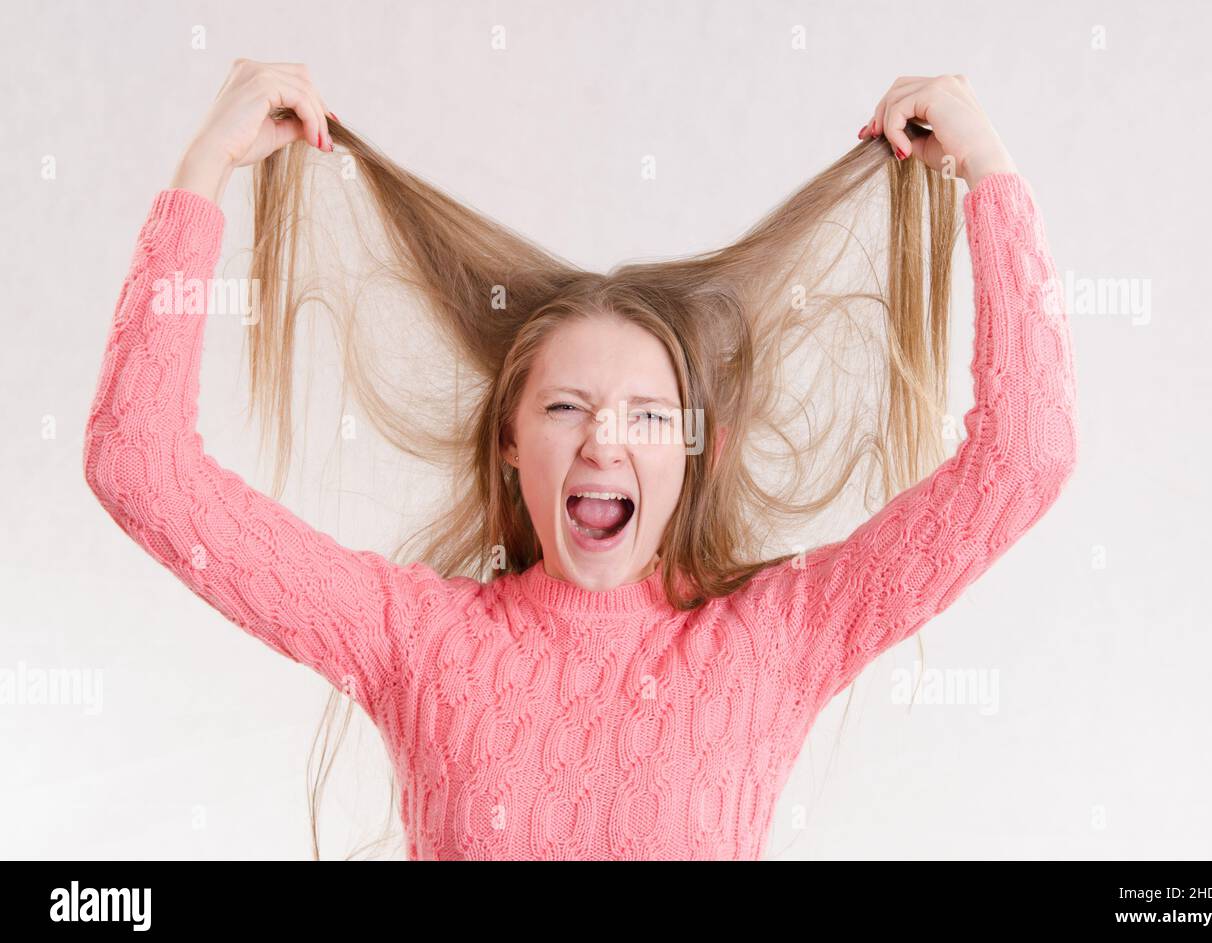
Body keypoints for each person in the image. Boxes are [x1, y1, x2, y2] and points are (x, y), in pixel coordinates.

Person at [84, 61, 1077, 859]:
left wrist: (987, 171)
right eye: (566, 407)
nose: (605, 438)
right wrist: (204, 169)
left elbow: (1023, 459)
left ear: (698, 453)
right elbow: (141, 467)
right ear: (511, 444)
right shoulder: (413, 642)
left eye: (648, 417)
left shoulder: (775, 640)